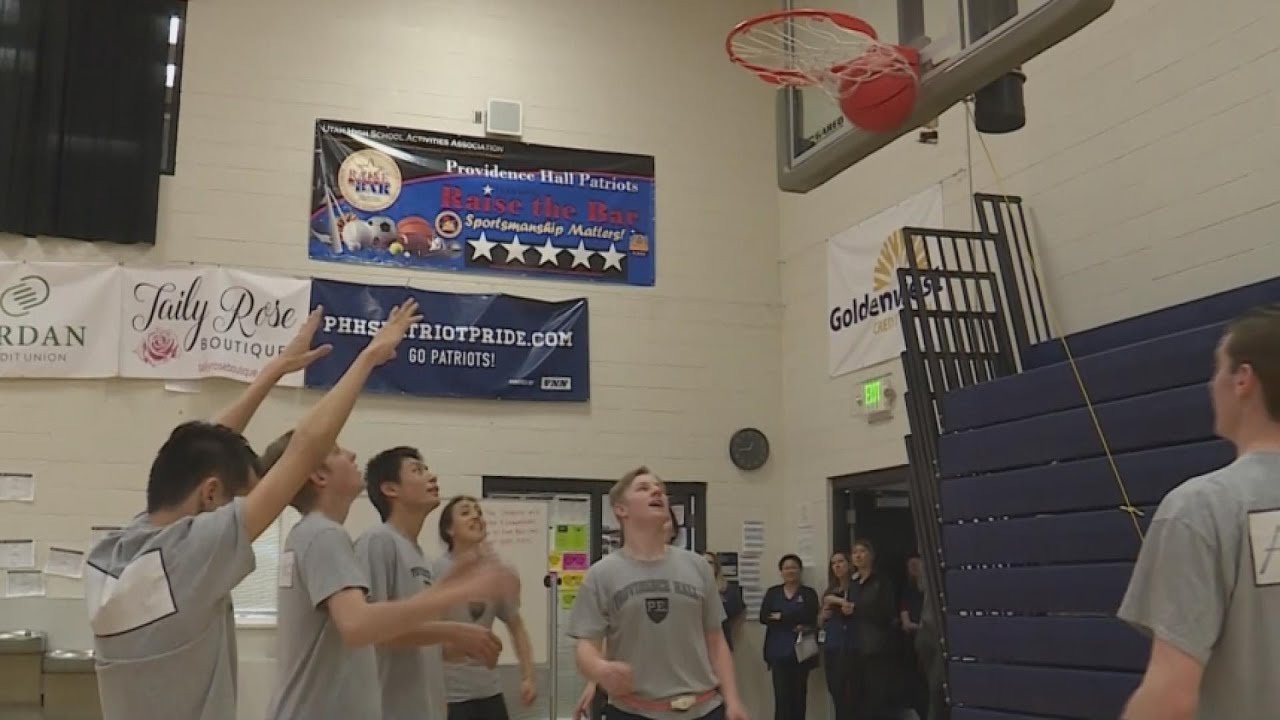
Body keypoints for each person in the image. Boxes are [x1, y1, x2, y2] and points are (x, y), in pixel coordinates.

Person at [261, 301, 521, 720]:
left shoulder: (313, 534)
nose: (352, 454)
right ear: (318, 477)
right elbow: (362, 626)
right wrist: (454, 594)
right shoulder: (327, 534)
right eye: (339, 452)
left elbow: (371, 625)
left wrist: (449, 625)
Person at [85, 306, 336, 720]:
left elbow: (195, 453)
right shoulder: (184, 562)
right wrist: (369, 358)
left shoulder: (118, 553)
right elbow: (307, 447)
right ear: (212, 494)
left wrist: (272, 374)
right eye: (241, 503)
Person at [1118, 306, 1280, 720]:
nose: (1212, 385)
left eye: (1217, 370)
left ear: (1243, 379)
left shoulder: (1200, 508)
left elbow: (1170, 699)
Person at [569, 466, 748, 720]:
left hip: (704, 708)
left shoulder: (698, 566)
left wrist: (732, 700)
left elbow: (716, 642)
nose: (656, 491)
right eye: (644, 488)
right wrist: (599, 669)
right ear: (621, 510)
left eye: (660, 490)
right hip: (633, 711)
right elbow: (586, 646)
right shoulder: (601, 574)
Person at [356, 446, 499, 720]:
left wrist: (467, 646)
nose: (431, 477)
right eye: (418, 471)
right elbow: (371, 631)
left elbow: (418, 640)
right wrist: (454, 632)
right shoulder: (378, 541)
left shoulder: (419, 555)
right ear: (390, 489)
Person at [572, 505, 684, 720]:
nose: (661, 524)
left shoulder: (692, 571)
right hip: (635, 693)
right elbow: (611, 635)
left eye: (666, 520)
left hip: (682, 692)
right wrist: (594, 680)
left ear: (673, 530)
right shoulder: (615, 572)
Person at [436, 495, 538, 720]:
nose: (475, 516)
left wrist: (527, 676)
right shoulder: (437, 570)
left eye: (478, 512)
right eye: (465, 512)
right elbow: (425, 631)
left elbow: (516, 625)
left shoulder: (495, 571)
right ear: (449, 529)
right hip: (449, 695)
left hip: (489, 691)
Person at [846, 539, 902, 720]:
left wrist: (856, 609)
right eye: (855, 553)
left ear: (871, 556)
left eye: (862, 551)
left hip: (876, 646)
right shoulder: (852, 584)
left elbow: (886, 613)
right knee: (855, 697)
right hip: (853, 647)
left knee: (876, 697)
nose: (858, 555)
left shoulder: (882, 581)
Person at [759, 554, 819, 720]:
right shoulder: (773, 592)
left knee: (799, 698)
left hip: (801, 653)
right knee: (781, 698)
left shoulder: (808, 593)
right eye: (786, 568)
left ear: (800, 570)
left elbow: (810, 615)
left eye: (793, 567)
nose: (790, 571)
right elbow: (764, 616)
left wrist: (781, 617)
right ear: (781, 572)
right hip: (778, 653)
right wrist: (793, 618)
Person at [819, 551, 858, 720]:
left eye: (841, 561)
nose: (837, 566)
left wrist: (838, 601)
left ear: (849, 564)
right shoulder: (831, 590)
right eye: (834, 563)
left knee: (850, 695)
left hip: (850, 646)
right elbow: (821, 620)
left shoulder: (856, 587)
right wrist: (821, 617)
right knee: (835, 690)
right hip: (831, 644)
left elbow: (853, 608)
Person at [704, 551, 746, 651]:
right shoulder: (691, 589)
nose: (705, 565)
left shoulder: (727, 590)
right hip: (697, 645)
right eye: (702, 562)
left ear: (716, 567)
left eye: (709, 562)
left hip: (721, 643)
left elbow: (739, 615)